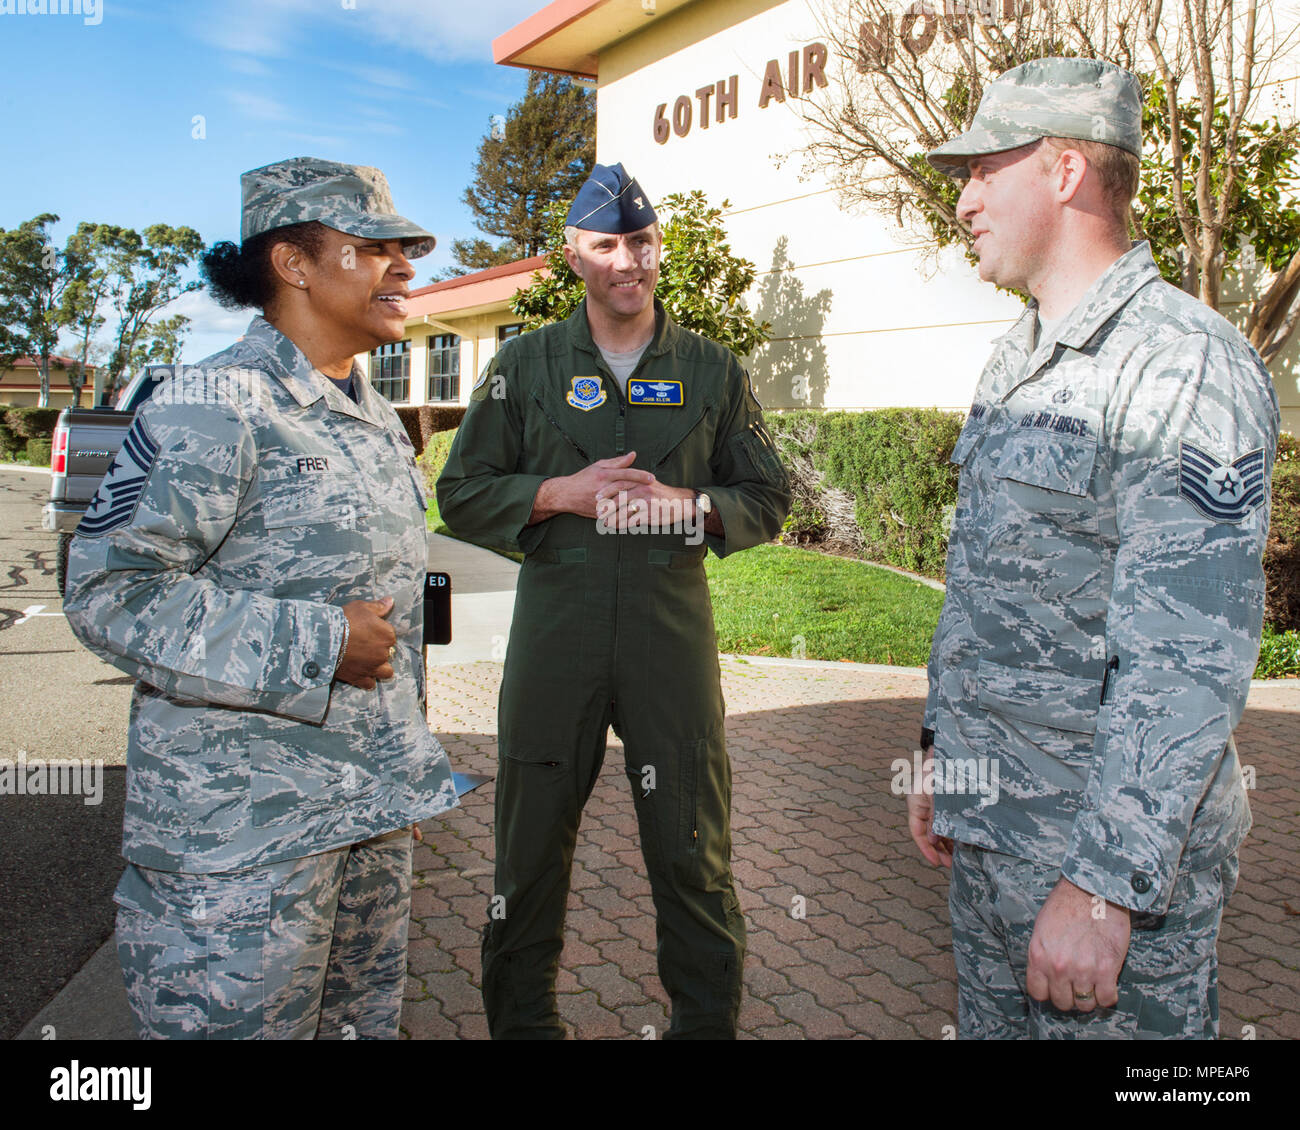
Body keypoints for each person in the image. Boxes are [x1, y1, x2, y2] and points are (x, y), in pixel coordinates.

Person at [909, 58, 1280, 1039]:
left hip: (1098, 880)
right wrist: (943, 750)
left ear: (1066, 169)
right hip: (994, 839)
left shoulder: (1183, 363)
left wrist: (1104, 884)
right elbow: (988, 580)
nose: (963, 199)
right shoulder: (1018, 352)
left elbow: (1188, 649)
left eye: (984, 168)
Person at [64, 157, 459, 1039]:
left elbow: (388, 621)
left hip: (361, 817)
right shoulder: (214, 404)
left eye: (407, 250)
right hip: (240, 846)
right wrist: (321, 644)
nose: (404, 266)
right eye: (373, 247)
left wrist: (398, 776)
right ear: (293, 263)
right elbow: (109, 593)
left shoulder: (368, 412)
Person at [437, 162, 791, 1039]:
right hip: (557, 637)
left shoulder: (712, 369)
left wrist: (695, 506)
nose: (625, 260)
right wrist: (561, 494)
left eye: (640, 241)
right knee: (525, 859)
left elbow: (768, 496)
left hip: (669, 643)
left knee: (693, 854)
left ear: (658, 247)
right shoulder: (524, 364)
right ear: (575, 255)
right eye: (605, 244)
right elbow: (462, 491)